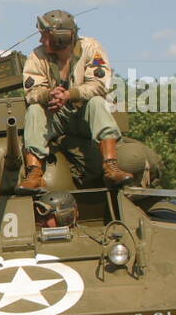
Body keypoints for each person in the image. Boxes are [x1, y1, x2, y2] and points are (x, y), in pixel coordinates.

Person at [17, 10, 132, 192]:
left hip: (84, 115)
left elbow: (99, 85)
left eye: (45, 37)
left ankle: (111, 166)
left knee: (97, 102)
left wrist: (70, 94)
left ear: (60, 38)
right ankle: (34, 173)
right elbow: (32, 91)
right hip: (55, 116)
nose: (41, 41)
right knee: (34, 109)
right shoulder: (37, 56)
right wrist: (49, 95)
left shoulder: (91, 48)